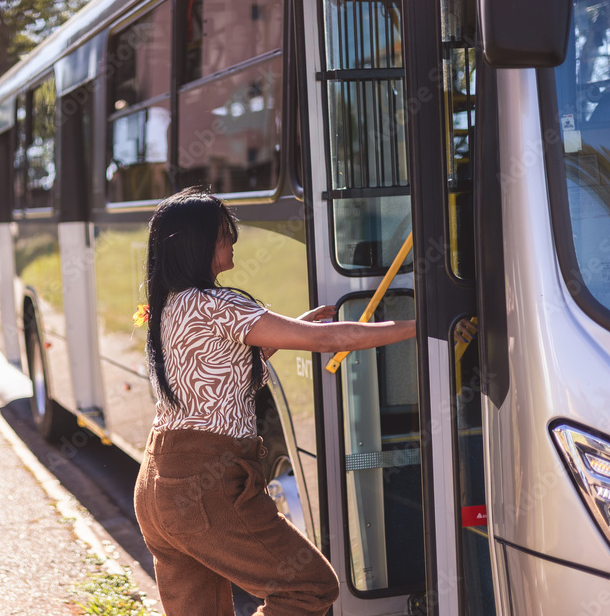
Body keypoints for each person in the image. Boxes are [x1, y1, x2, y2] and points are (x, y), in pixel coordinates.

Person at [134, 188, 417, 616]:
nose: (232, 242)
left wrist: (288, 330)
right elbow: (330, 340)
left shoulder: (169, 306)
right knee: (308, 587)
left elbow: (219, 369)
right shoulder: (218, 304)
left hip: (157, 485)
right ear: (199, 244)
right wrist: (422, 324)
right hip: (205, 486)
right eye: (224, 234)